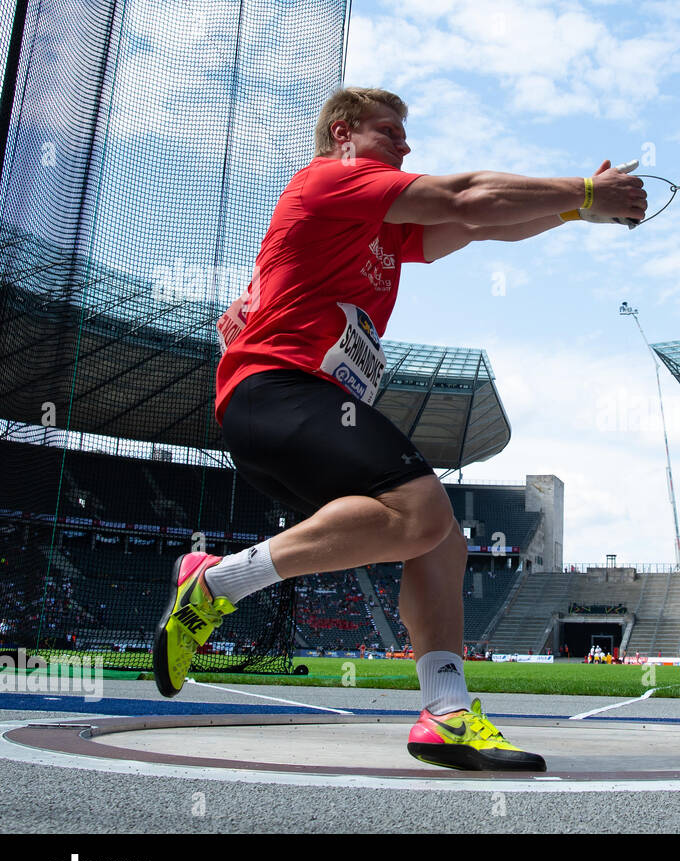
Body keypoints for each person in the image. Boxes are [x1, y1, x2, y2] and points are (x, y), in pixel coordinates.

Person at [153, 86, 646, 772]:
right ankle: (216, 584)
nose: (406, 146)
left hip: (308, 407)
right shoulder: (328, 179)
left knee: (442, 541)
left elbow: (477, 224)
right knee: (421, 511)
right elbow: (464, 196)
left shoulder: (379, 224)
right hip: (275, 390)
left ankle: (445, 713)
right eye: (391, 132)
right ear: (344, 133)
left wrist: (573, 208)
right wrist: (589, 191)